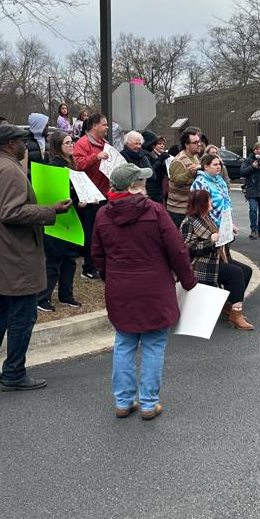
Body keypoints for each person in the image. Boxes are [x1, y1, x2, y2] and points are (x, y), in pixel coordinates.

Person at [92, 163, 197, 420]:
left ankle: (123, 401)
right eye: (141, 181)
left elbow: (97, 255)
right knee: (153, 344)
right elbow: (177, 250)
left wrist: (111, 277)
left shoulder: (103, 215)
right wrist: (188, 281)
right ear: (131, 187)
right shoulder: (155, 211)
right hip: (154, 288)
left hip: (120, 288)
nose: (145, 185)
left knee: (124, 343)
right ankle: (149, 403)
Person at [0, 124, 71, 390]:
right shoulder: (9, 170)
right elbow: (10, 212)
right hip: (13, 254)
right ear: (10, 144)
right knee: (23, 314)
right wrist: (50, 210)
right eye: (22, 142)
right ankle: (14, 373)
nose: (25, 146)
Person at [182, 189, 254, 330]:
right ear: (201, 204)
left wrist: (227, 233)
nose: (212, 204)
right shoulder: (188, 222)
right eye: (209, 201)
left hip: (215, 258)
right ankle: (236, 314)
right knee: (235, 273)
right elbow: (186, 249)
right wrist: (210, 241)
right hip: (201, 264)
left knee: (246, 270)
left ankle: (228, 305)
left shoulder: (206, 218)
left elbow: (218, 239)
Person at [39, 131, 85, 312]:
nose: (71, 145)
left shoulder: (72, 165)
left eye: (71, 142)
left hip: (71, 218)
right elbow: (60, 193)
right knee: (54, 260)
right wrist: (76, 199)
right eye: (67, 143)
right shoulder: (55, 167)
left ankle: (66, 295)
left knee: (70, 259)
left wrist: (84, 199)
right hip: (57, 219)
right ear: (58, 147)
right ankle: (43, 297)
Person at [72, 112, 112, 279]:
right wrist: (95, 157)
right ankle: (89, 268)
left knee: (103, 231)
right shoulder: (83, 143)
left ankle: (100, 264)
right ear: (94, 126)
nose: (107, 127)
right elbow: (77, 164)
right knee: (91, 232)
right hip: (89, 196)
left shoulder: (105, 144)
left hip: (104, 193)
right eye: (104, 124)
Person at [165, 128, 203, 228]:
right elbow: (177, 181)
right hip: (179, 210)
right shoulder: (179, 161)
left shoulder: (195, 157)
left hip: (191, 207)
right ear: (186, 145)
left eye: (199, 141)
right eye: (195, 142)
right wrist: (189, 173)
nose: (199, 144)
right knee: (182, 240)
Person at [191, 153, 235, 236]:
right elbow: (200, 210)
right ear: (206, 167)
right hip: (208, 227)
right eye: (215, 164)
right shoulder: (200, 183)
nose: (219, 166)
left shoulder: (220, 180)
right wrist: (214, 228)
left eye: (219, 164)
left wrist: (229, 224)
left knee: (224, 249)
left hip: (224, 224)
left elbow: (226, 202)